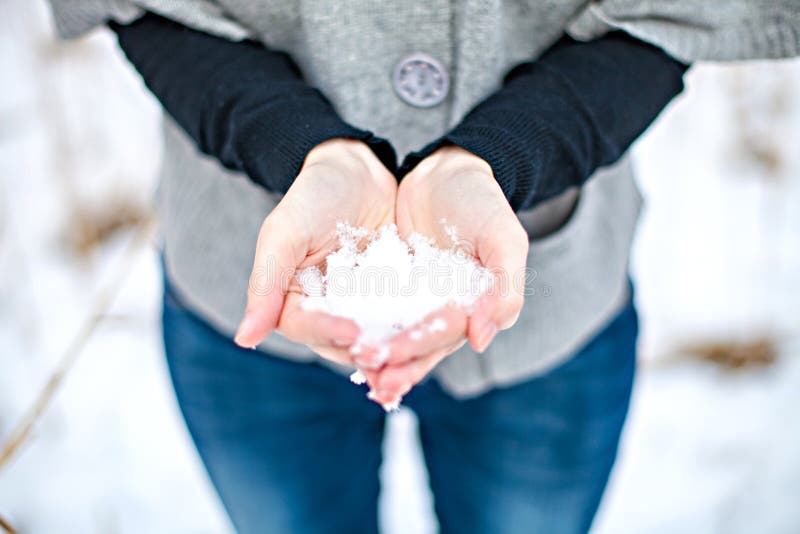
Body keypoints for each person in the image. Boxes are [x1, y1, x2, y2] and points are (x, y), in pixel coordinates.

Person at [46, 1, 799, 532]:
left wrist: (504, 156)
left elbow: (678, 13)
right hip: (247, 291)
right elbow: (148, 7)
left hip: (551, 310)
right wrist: (297, 143)